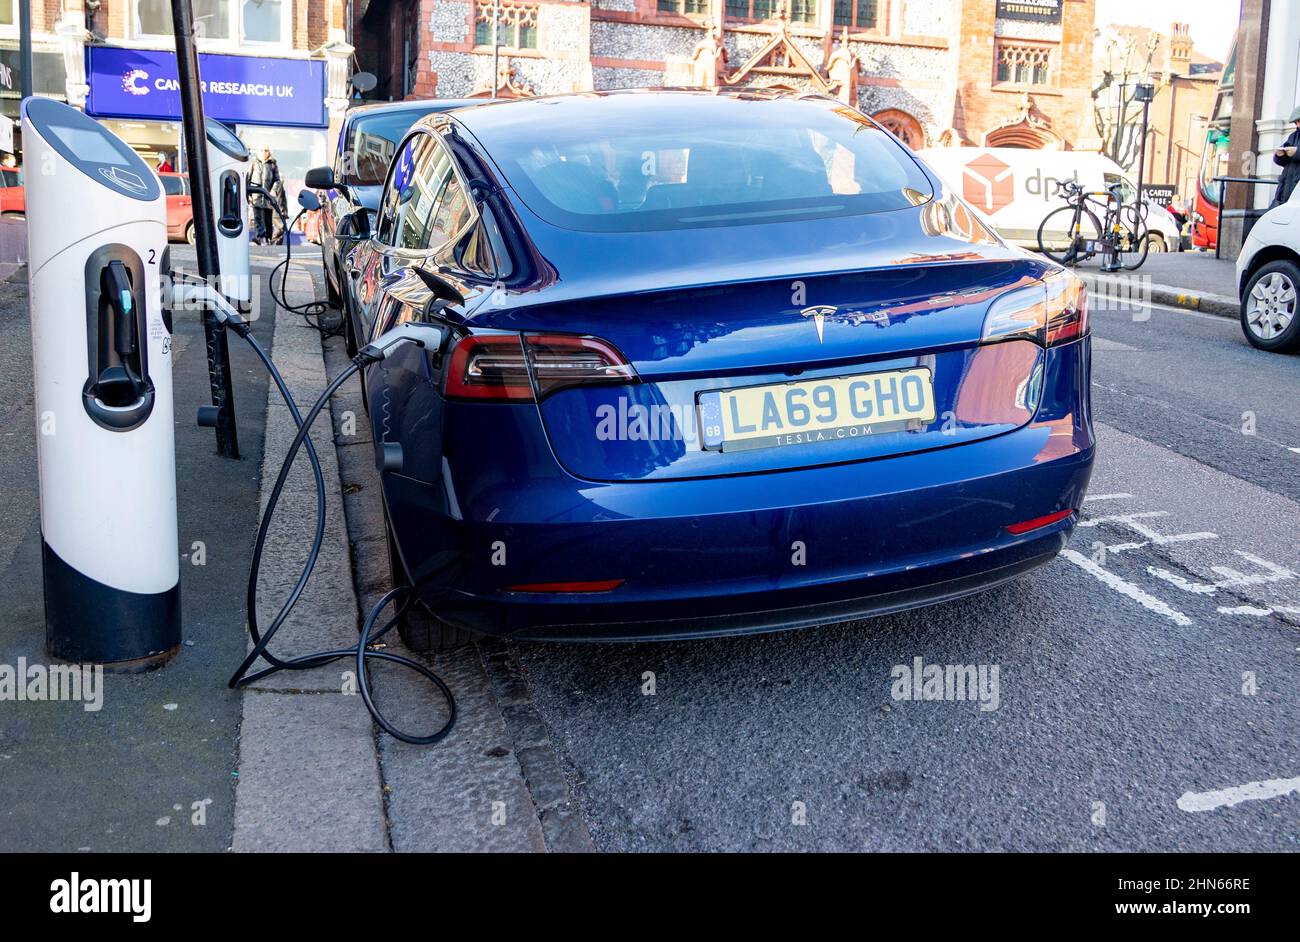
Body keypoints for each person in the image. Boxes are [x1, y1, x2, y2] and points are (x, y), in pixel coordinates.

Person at [249, 146, 283, 244]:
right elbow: (248, 178)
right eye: (261, 150)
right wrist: (248, 193)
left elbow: (277, 180)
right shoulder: (254, 163)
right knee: (258, 218)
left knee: (268, 220)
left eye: (266, 150)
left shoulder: (272, 164)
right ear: (258, 152)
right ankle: (260, 237)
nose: (264, 152)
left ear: (269, 152)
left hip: (268, 197)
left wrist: (273, 191)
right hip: (256, 196)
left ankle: (268, 238)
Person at [1270, 105, 1300, 206]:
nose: (1297, 124)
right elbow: (1282, 161)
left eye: (1299, 121)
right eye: (1296, 122)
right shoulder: (1294, 136)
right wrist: (1280, 155)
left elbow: (1296, 153)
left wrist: (1297, 152)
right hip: (1285, 190)